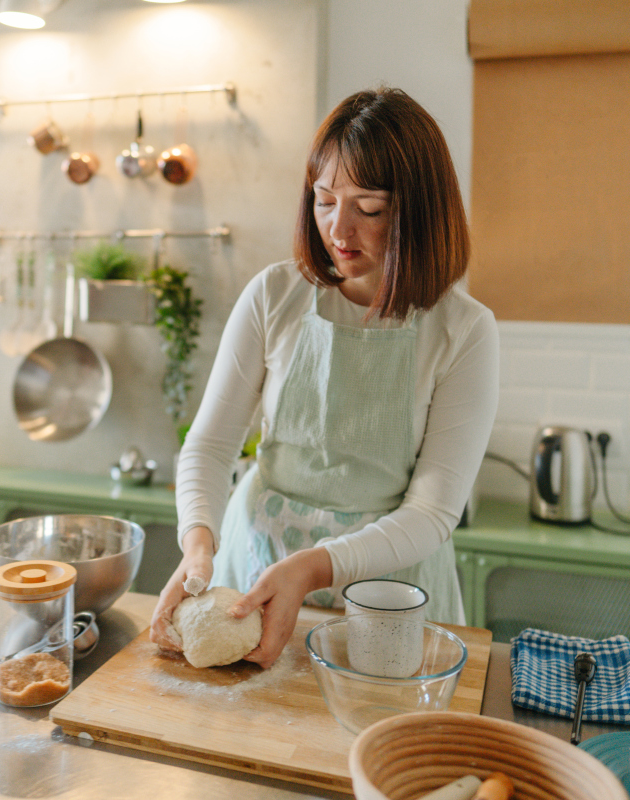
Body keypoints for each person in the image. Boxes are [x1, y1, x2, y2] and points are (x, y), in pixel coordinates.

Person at [150, 87, 499, 668]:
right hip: (257, 563)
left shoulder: (463, 330)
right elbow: (209, 446)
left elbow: (431, 513)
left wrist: (313, 566)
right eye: (324, 200)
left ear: (421, 211)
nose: (339, 229)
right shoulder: (274, 294)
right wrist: (198, 544)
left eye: (369, 208)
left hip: (390, 588)